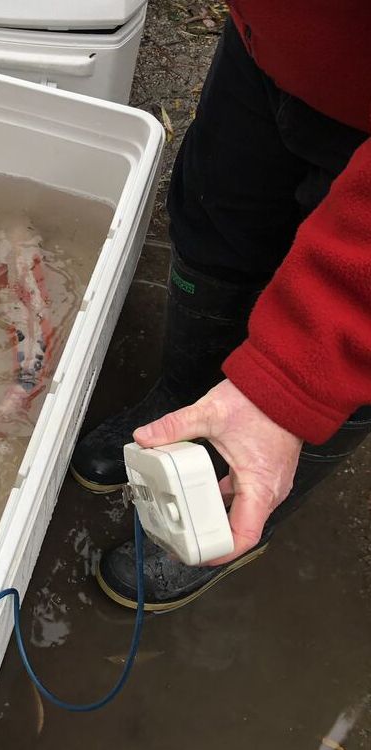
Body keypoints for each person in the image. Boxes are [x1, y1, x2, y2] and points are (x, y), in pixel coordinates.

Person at [70, 1, 371, 611]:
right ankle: (184, 398)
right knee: (218, 221)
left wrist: (286, 384)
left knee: (334, 359)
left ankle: (245, 506)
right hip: (273, 42)